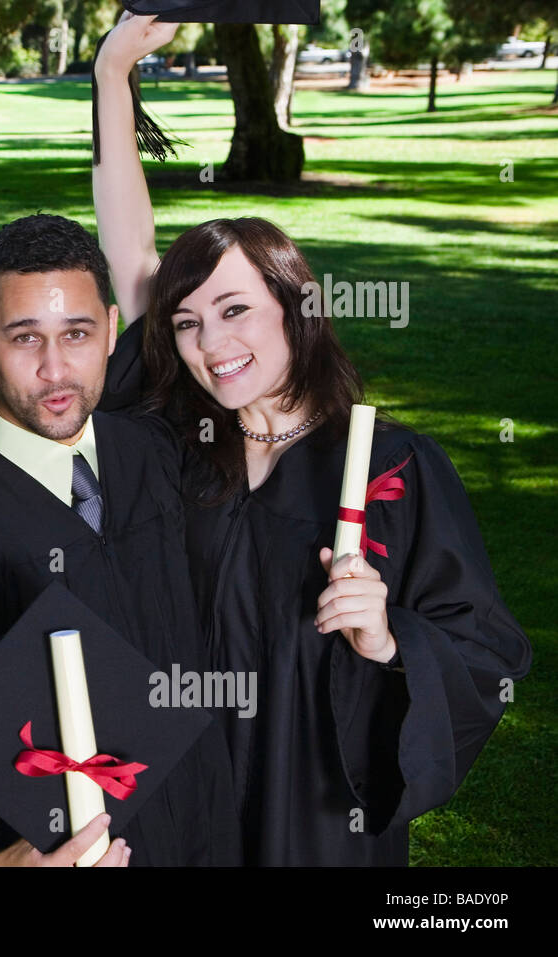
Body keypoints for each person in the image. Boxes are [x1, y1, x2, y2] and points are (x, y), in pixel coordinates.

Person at [92, 12, 532, 865]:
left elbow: (489, 650)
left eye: (234, 310)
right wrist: (112, 76)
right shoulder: (182, 450)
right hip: (195, 794)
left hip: (323, 812)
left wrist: (391, 633)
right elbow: (132, 254)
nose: (211, 344)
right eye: (186, 324)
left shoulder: (392, 467)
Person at [0, 213, 239, 868]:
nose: (55, 369)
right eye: (25, 337)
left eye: (77, 334)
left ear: (111, 329)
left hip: (206, 828)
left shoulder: (152, 452)